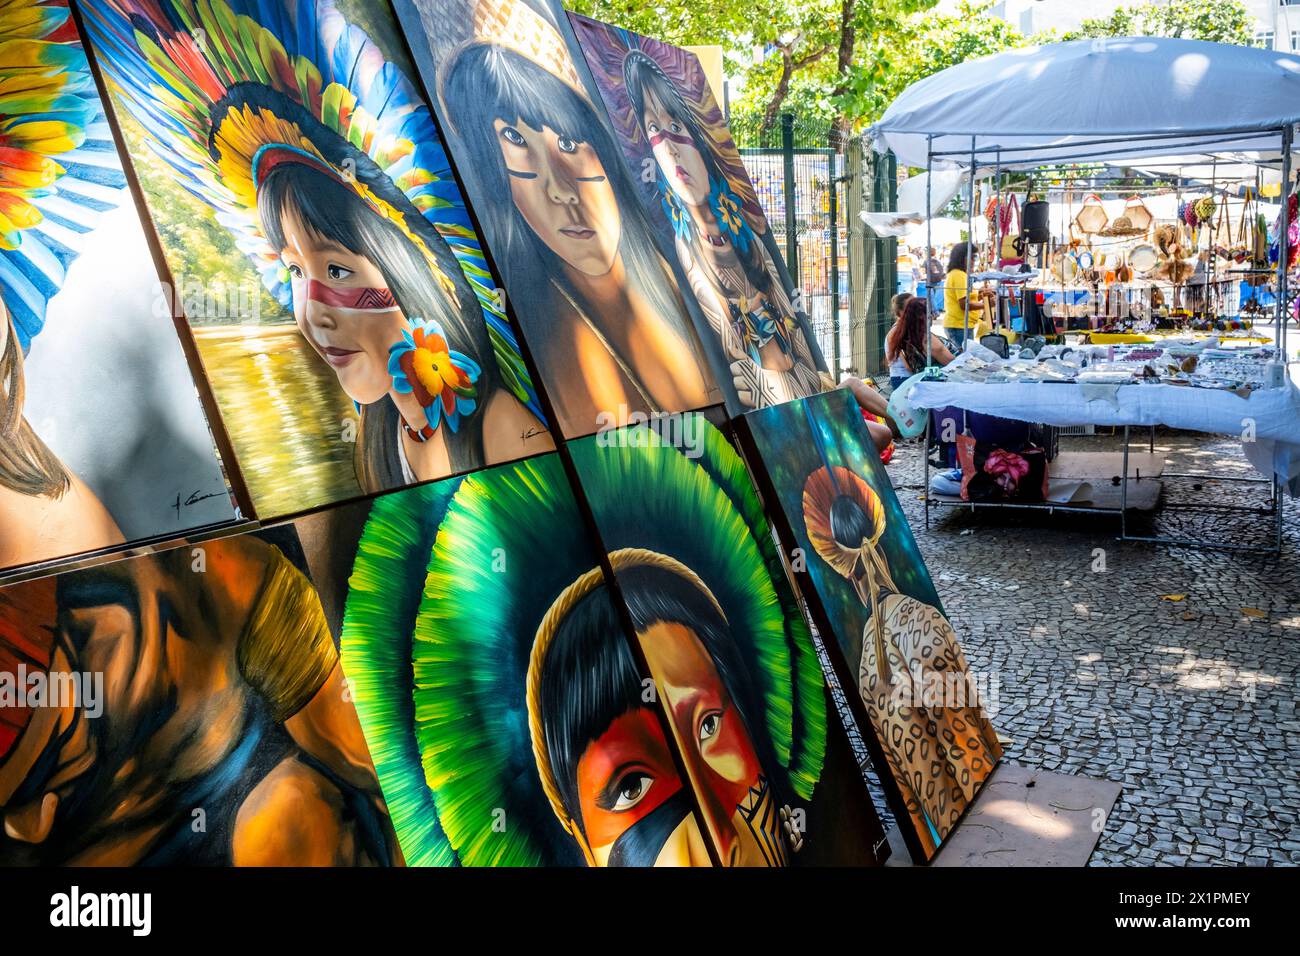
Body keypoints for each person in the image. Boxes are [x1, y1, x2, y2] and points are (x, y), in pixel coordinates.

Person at [441, 43, 715, 430]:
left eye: (568, 144)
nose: (561, 190)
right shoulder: (536, 355)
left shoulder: (691, 268)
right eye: (516, 142)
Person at [622, 51, 824, 407]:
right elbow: (739, 368)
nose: (669, 149)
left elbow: (804, 369)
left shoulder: (751, 245)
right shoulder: (686, 255)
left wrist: (777, 381)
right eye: (653, 130)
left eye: (676, 127)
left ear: (701, 142)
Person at [886, 296, 956, 389]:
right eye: (930, 312)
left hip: (906, 380)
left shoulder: (902, 331)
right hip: (908, 381)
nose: (933, 316)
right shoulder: (924, 338)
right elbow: (952, 363)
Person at [943, 241, 995, 347]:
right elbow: (964, 305)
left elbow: (966, 299)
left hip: (960, 324)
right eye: (971, 258)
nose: (973, 261)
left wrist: (980, 295)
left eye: (974, 258)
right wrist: (986, 304)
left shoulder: (957, 274)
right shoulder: (959, 275)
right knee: (964, 358)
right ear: (962, 258)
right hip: (959, 325)